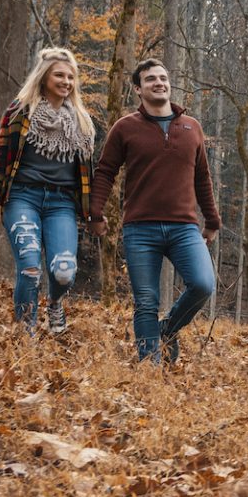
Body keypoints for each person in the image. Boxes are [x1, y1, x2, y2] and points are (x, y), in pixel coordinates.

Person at [87, 59, 221, 363]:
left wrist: (212, 220)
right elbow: (106, 171)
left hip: (184, 227)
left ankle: (168, 329)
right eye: (150, 79)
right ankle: (150, 364)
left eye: (163, 77)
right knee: (146, 301)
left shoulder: (191, 128)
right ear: (138, 89)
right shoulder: (125, 127)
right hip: (140, 228)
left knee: (203, 284)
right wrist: (95, 213)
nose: (159, 82)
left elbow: (203, 177)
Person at [0, 47, 96, 335]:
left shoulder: (82, 121)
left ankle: (55, 302)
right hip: (23, 197)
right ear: (44, 77)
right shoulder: (20, 112)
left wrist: (94, 211)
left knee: (64, 272)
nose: (66, 82)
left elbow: (89, 174)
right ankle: (24, 336)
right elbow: (1, 157)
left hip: (62, 204)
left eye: (71, 77)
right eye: (59, 75)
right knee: (29, 269)